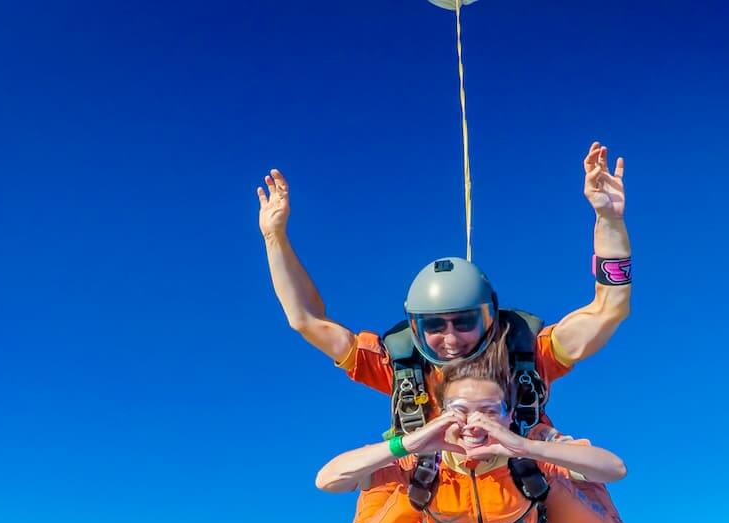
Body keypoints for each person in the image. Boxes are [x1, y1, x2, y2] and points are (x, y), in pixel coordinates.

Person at [256, 142, 633, 435]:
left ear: (490, 317)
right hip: (438, 499)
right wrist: (275, 238)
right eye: (434, 327)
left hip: (514, 483)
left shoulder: (528, 357)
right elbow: (305, 319)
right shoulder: (401, 366)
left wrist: (608, 220)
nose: (450, 338)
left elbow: (609, 309)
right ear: (416, 328)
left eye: (464, 321)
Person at [315, 332, 626, 523]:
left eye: (490, 411)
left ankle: (545, 521)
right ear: (441, 413)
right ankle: (399, 493)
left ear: (509, 413)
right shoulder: (423, 452)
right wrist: (406, 443)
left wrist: (527, 447)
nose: (474, 423)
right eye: (460, 410)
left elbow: (614, 469)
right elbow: (327, 480)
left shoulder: (531, 442)